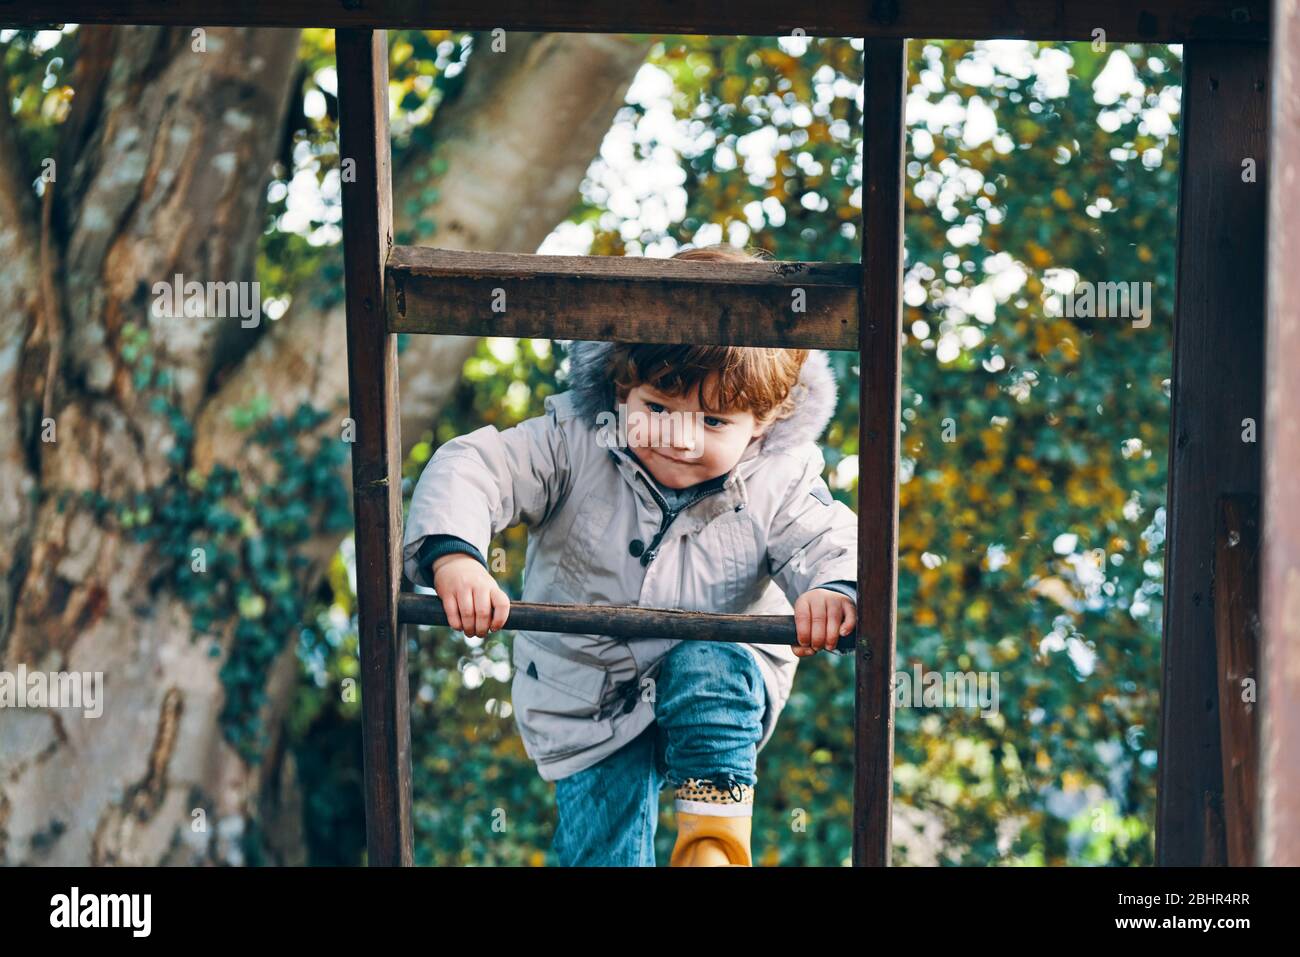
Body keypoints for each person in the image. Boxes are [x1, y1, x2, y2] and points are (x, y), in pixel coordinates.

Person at [402, 244, 858, 866]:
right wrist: (456, 558)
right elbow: (477, 467)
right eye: (659, 408)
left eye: (715, 421)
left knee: (708, 662)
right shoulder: (573, 440)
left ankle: (712, 847)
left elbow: (828, 537)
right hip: (584, 698)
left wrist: (835, 590)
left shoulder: (779, 478)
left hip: (717, 695)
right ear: (622, 385)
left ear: (764, 420)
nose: (680, 438)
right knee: (603, 850)